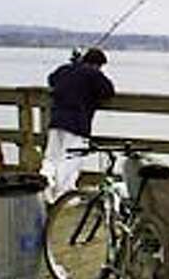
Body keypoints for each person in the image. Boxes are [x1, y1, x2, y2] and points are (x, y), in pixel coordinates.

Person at [41, 47, 114, 203]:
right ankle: (64, 196)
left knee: (52, 157)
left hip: (56, 120)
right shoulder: (93, 74)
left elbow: (52, 79)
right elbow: (108, 91)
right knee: (71, 159)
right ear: (97, 64)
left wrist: (74, 66)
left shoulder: (64, 70)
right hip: (77, 123)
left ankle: (45, 186)